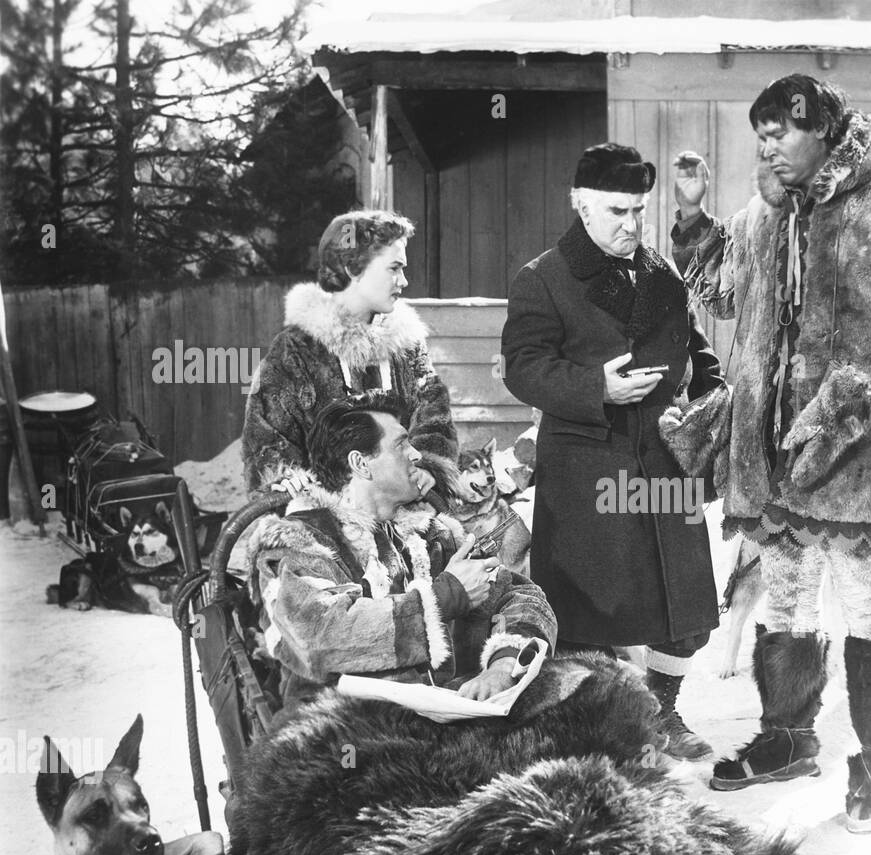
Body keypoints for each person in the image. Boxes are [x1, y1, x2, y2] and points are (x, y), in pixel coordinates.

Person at [671, 74, 871, 830]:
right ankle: (787, 736)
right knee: (783, 595)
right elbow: (718, 288)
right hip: (775, 452)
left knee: (870, 604)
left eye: (779, 133)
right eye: (760, 139)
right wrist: (691, 216)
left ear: (823, 129)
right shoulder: (766, 213)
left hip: (856, 446)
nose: (769, 148)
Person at [500, 143, 724, 761]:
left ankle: (664, 712)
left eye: (638, 211)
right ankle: (601, 725)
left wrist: (714, 400)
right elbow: (523, 367)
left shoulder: (663, 275)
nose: (630, 225)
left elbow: (698, 353)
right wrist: (596, 386)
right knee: (591, 609)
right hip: (587, 466)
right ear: (581, 205)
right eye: (616, 211)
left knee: (685, 605)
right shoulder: (543, 277)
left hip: (665, 460)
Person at [247, 391, 556, 712]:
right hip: (339, 725)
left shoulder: (428, 533)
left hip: (442, 720)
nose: (416, 455)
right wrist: (442, 598)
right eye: (400, 444)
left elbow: (521, 596)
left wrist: (502, 666)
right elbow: (318, 636)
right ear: (360, 463)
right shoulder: (298, 540)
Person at [242, 210, 461, 504]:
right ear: (351, 268)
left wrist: (427, 464)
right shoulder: (295, 350)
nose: (404, 281)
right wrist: (286, 483)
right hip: (327, 530)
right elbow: (268, 444)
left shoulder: (406, 345)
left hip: (405, 517)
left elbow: (434, 416)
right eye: (394, 268)